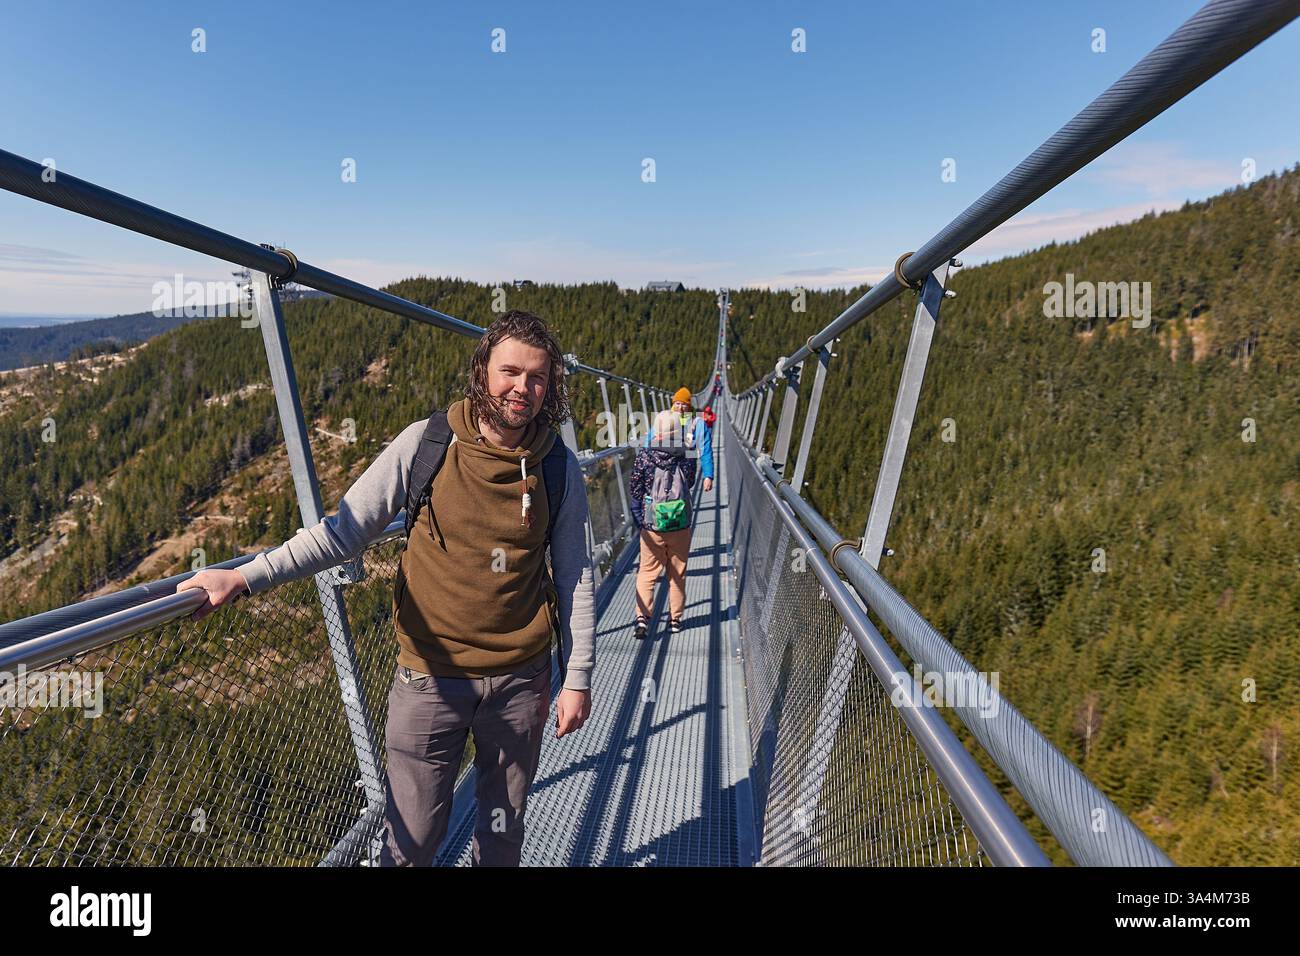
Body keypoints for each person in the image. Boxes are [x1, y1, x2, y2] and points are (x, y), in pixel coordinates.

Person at [178, 310, 595, 867]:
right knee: (410, 844)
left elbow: (575, 576)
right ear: (483, 371)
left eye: (538, 377)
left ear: (551, 387)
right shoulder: (428, 443)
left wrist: (578, 679)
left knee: (502, 839)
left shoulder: (557, 468)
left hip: (519, 682)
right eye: (511, 371)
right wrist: (246, 576)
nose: (524, 387)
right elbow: (343, 532)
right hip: (429, 679)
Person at [627, 387, 713, 638]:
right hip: (680, 522)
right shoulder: (686, 456)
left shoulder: (644, 456)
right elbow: (691, 481)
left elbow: (635, 488)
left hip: (652, 524)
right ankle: (675, 620)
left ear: (656, 431)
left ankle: (642, 619)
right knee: (677, 572)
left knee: (647, 572)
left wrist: (640, 520)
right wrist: (705, 475)